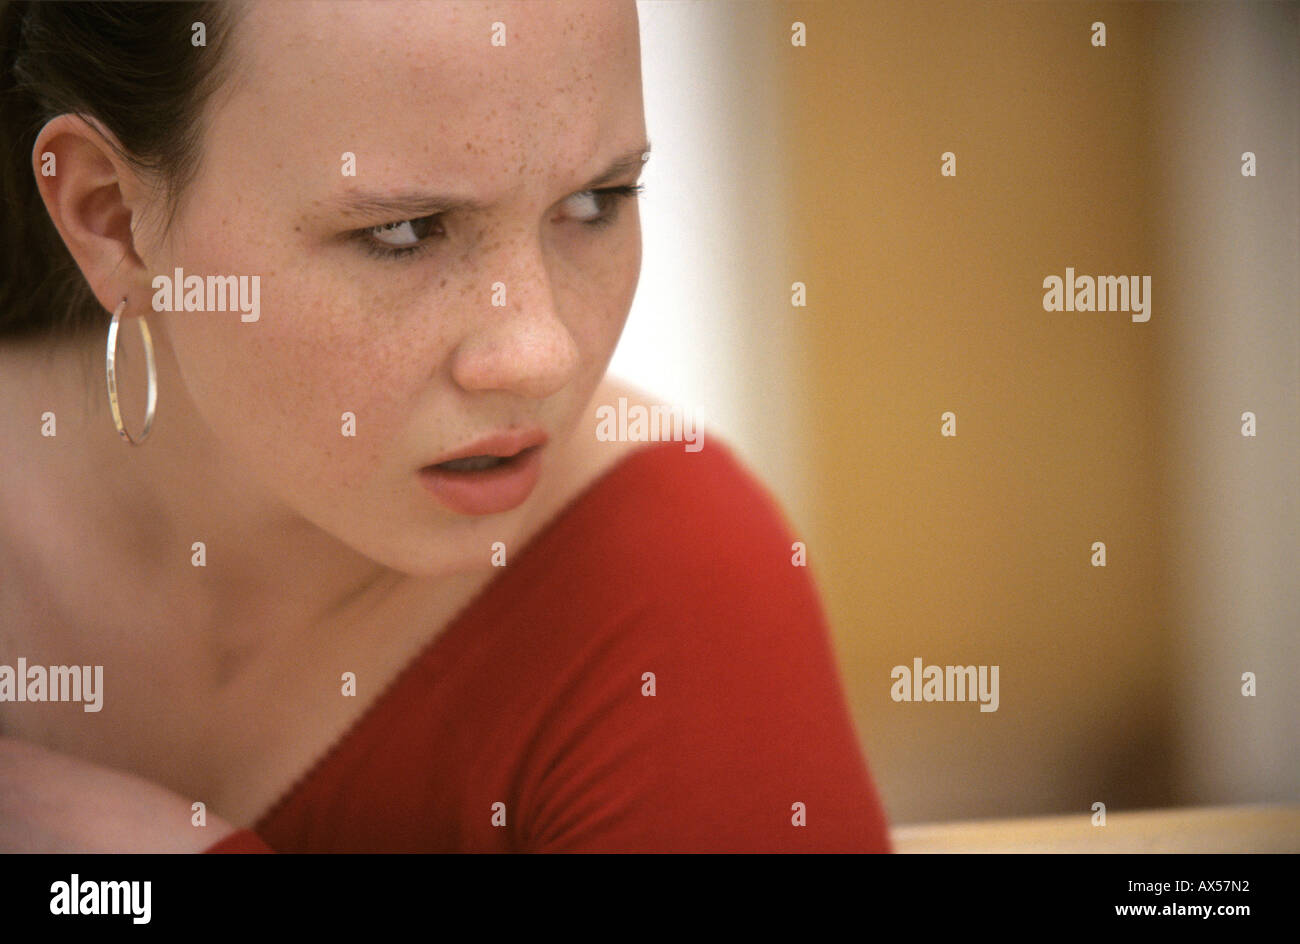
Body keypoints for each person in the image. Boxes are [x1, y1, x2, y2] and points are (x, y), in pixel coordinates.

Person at [0, 0, 891, 852]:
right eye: (405, 231)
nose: (543, 355)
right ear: (110, 218)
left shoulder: (673, 586)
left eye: (596, 201)